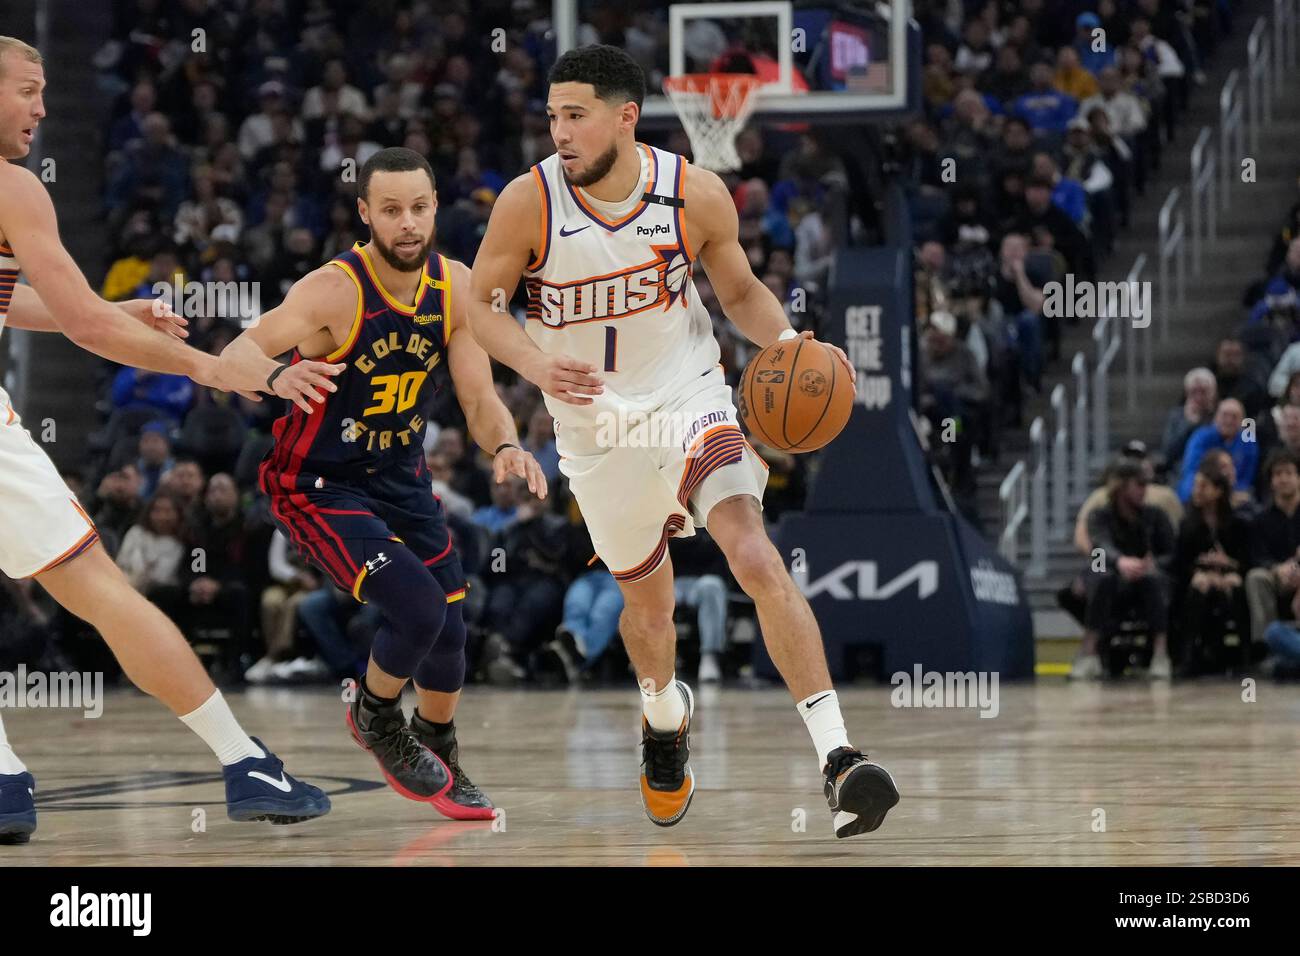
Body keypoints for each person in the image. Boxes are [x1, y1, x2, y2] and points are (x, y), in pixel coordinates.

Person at [467, 44, 899, 837]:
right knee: (649, 611)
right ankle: (664, 718)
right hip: (593, 428)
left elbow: (737, 290)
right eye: (553, 115)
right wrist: (533, 360)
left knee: (754, 554)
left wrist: (794, 345)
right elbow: (481, 307)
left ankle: (839, 758)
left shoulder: (692, 193)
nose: (559, 131)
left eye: (576, 115)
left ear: (625, 117)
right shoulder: (527, 204)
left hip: (686, 394)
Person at [0, 35, 330, 844]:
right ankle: (244, 762)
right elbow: (81, 325)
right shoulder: (11, 186)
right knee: (93, 584)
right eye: (27, 89)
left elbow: (11, 304)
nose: (43, 107)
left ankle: (3, 782)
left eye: (48, 91)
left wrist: (123, 313)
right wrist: (206, 368)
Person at [217, 147, 550, 820]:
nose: (407, 224)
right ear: (365, 212)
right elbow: (234, 354)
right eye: (391, 210)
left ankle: (440, 750)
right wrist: (277, 376)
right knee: (419, 608)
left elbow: (480, 398)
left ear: (434, 209)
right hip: (319, 482)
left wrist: (507, 444)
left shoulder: (454, 287)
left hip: (399, 474)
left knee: (452, 631)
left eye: (419, 209)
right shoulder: (332, 291)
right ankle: (374, 716)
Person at [1073, 459, 1176, 679]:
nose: (1144, 490)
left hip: (1146, 578)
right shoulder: (1099, 515)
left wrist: (1152, 563)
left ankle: (1160, 654)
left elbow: (1171, 552)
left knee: (1153, 579)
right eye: (1138, 485)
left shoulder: (1155, 515)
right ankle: (1089, 652)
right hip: (1112, 574)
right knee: (1101, 575)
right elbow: (1100, 546)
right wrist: (1121, 561)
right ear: (1121, 486)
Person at [1171, 461, 1251, 674]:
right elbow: (1179, 562)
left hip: (1230, 576)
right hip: (1198, 577)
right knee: (1200, 585)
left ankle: (1245, 655)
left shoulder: (1238, 523)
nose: (1196, 491)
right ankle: (1189, 654)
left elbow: (1247, 560)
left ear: (1218, 491)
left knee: (1235, 585)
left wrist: (1229, 565)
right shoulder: (1187, 523)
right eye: (1196, 485)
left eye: (1203, 486)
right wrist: (1200, 569)